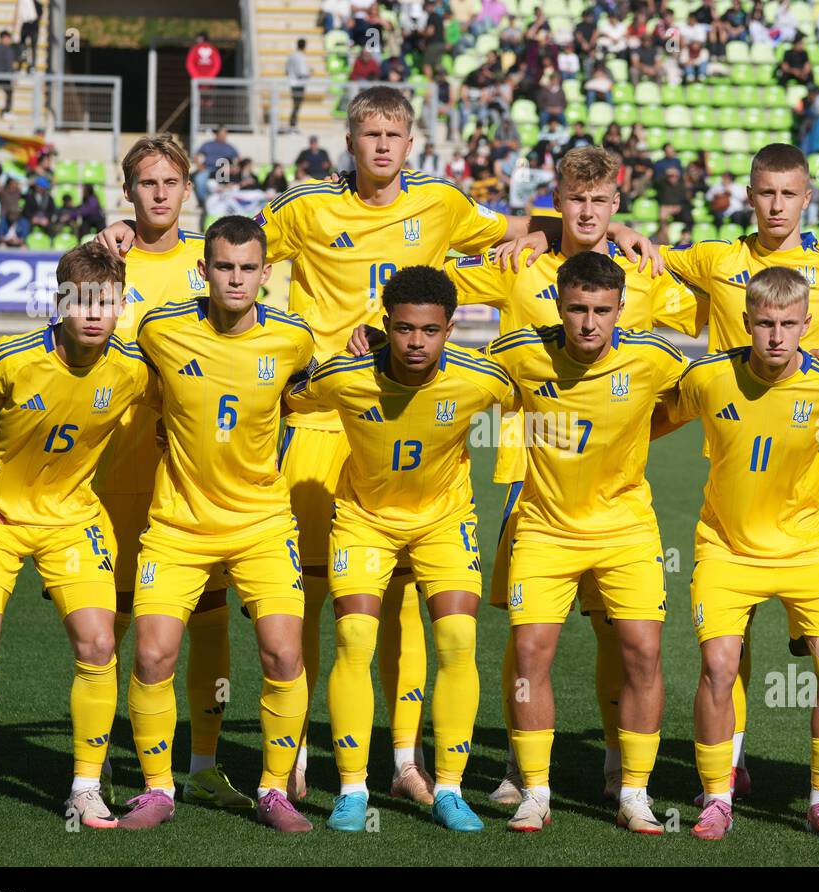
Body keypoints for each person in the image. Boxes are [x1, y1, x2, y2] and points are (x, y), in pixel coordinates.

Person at [97, 86, 656, 803]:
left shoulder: (443, 202)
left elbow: (528, 223)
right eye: (371, 134)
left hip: (402, 417)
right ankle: (291, 751)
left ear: (411, 141)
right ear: (351, 142)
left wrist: (575, 230)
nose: (383, 145)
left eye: (395, 133)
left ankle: (404, 756)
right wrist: (127, 225)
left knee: (400, 599)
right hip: (319, 419)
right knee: (300, 596)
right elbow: (229, 244)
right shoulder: (305, 206)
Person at [432, 147, 703, 804]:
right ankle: (518, 767)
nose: (587, 212)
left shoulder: (638, 274)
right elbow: (430, 276)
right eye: (574, 201)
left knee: (617, 627)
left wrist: (651, 247)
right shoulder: (518, 263)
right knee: (529, 631)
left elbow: (713, 316)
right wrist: (530, 231)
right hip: (530, 472)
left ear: (617, 203)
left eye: (600, 200)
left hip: (612, 481)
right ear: (557, 200)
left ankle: (617, 760)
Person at [659, 143, 819, 809]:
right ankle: (731, 763)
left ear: (806, 198)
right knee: (731, 638)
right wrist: (611, 229)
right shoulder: (717, 260)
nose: (775, 205)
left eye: (787, 194)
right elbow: (639, 261)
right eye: (764, 192)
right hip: (740, 466)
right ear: (750, 192)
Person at [286, 267, 511, 833]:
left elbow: (544, 393)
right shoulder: (344, 375)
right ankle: (353, 788)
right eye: (405, 329)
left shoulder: (479, 379)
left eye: (431, 331)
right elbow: (285, 394)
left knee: (458, 637)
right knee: (354, 636)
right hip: (363, 520)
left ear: (450, 328)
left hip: (443, 521)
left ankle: (451, 789)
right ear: (385, 324)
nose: (417, 343)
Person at [0, 242, 154, 832]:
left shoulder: (133, 368)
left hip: (74, 522)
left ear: (119, 307)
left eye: (106, 302)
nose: (93, 313)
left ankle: (85, 787)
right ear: (60, 303)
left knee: (98, 647)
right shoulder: (10, 358)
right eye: (82, 300)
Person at [116, 216, 315, 833]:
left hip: (261, 521)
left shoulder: (292, 340)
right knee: (152, 656)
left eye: (247, 269)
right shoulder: (162, 328)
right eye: (224, 267)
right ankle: (156, 790)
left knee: (284, 653)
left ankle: (274, 790)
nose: (235, 278)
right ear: (204, 270)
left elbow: (317, 389)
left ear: (265, 273)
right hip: (177, 524)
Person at [655, 267, 819, 842]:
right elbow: (651, 422)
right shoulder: (709, 379)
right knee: (720, 666)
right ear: (745, 322)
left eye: (788, 324)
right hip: (726, 547)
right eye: (765, 323)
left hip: (806, 548)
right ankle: (718, 796)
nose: (775, 335)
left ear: (806, 325)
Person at [485, 253, 687, 834]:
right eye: (577, 309)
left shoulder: (652, 356)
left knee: (643, 654)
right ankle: (535, 789)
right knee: (528, 655)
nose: (589, 323)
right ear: (559, 305)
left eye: (602, 310)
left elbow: (710, 385)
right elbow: (451, 369)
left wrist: (810, 357)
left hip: (626, 529)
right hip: (544, 528)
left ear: (621, 309)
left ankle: (634, 792)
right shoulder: (522, 352)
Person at [285, 38, 310, 130]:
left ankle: (292, 125)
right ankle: (292, 125)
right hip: (299, 84)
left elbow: (286, 71)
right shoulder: (301, 57)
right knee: (296, 106)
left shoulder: (292, 55)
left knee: (295, 105)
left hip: (292, 83)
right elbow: (302, 72)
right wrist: (310, 73)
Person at [16, 0, 41, 72]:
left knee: (33, 48)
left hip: (34, 28)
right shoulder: (24, 3)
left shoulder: (38, 5)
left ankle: (33, 65)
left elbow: (39, 17)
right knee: (22, 45)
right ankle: (22, 59)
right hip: (26, 27)